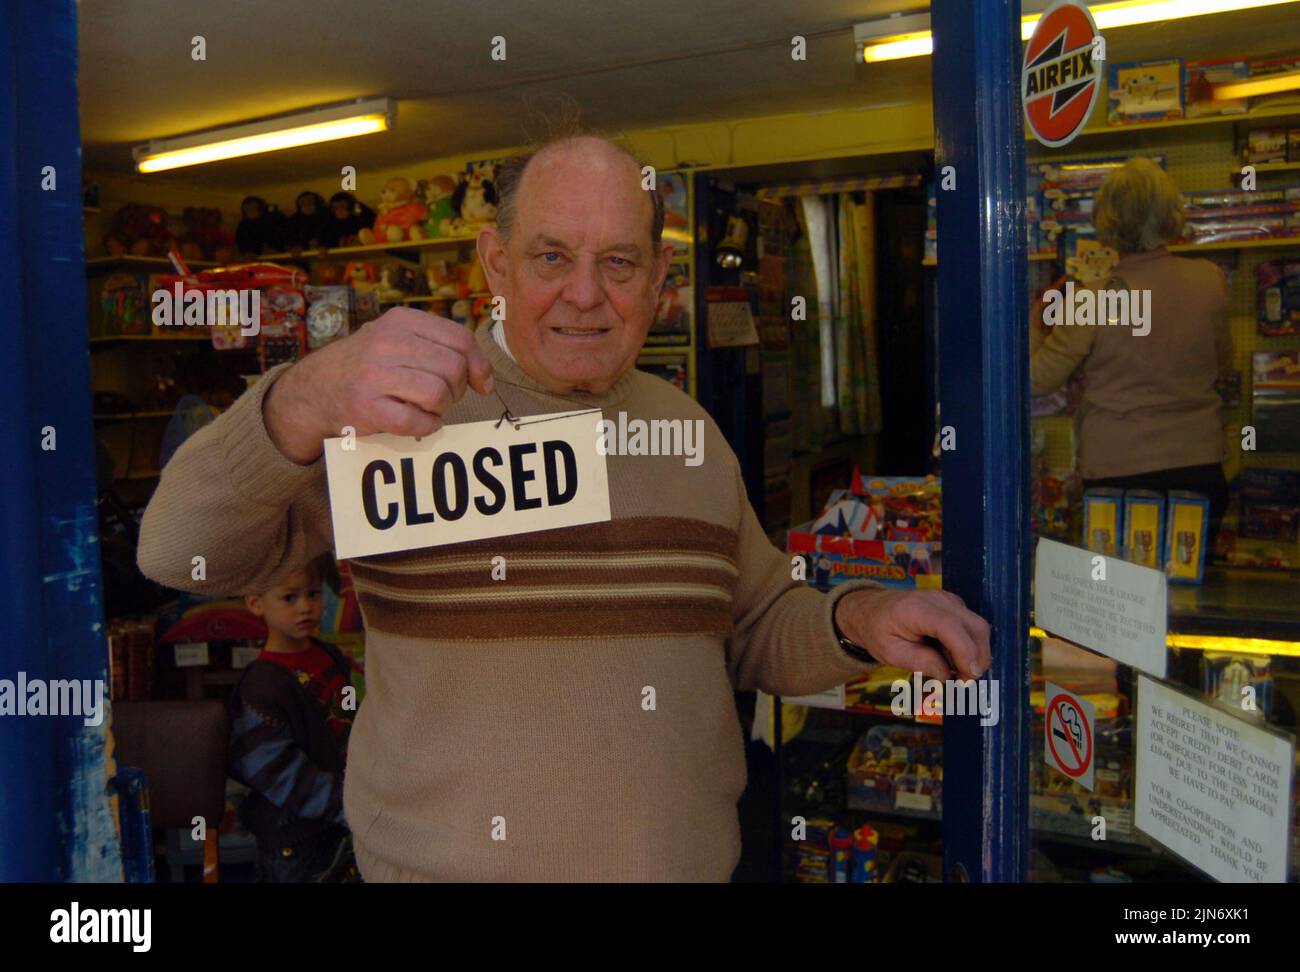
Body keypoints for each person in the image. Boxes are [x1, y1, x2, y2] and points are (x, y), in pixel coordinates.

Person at [138, 130, 990, 882]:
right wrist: (298, 401)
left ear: (659, 277)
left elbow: (755, 623)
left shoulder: (688, 430)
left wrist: (862, 617)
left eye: (618, 262)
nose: (586, 295)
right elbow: (178, 553)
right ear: (495, 262)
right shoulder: (393, 418)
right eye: (551, 257)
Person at [1030, 157, 1233, 537]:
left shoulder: (1093, 299)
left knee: (1118, 593)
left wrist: (1034, 323)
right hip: (1199, 464)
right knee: (1192, 589)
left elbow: (1036, 381)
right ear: (1172, 213)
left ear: (1107, 222)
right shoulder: (1211, 281)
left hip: (1116, 473)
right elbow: (1223, 362)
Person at [229, 559, 361, 882]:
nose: (305, 607)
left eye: (313, 595)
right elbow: (276, 774)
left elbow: (351, 723)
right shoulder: (260, 686)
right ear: (255, 602)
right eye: (289, 598)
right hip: (294, 843)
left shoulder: (329, 655)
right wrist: (352, 807)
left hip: (346, 827)